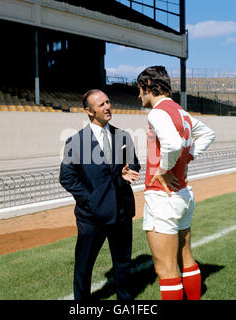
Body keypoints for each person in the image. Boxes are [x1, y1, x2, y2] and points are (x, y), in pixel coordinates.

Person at [137, 66, 215, 300]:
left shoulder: (157, 112)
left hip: (163, 197)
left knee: (166, 268)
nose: (138, 95)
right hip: (182, 193)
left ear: (148, 86)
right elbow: (209, 134)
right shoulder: (181, 111)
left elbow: (170, 143)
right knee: (185, 256)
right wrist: (188, 155)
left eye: (140, 89)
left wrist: (163, 168)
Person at [59, 89, 141, 301]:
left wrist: (127, 169)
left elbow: (133, 162)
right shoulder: (76, 142)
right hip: (91, 217)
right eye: (101, 104)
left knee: (123, 264)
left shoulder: (123, 136)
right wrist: (91, 200)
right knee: (84, 266)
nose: (107, 107)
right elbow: (67, 178)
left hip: (121, 213)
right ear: (89, 111)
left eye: (108, 102)